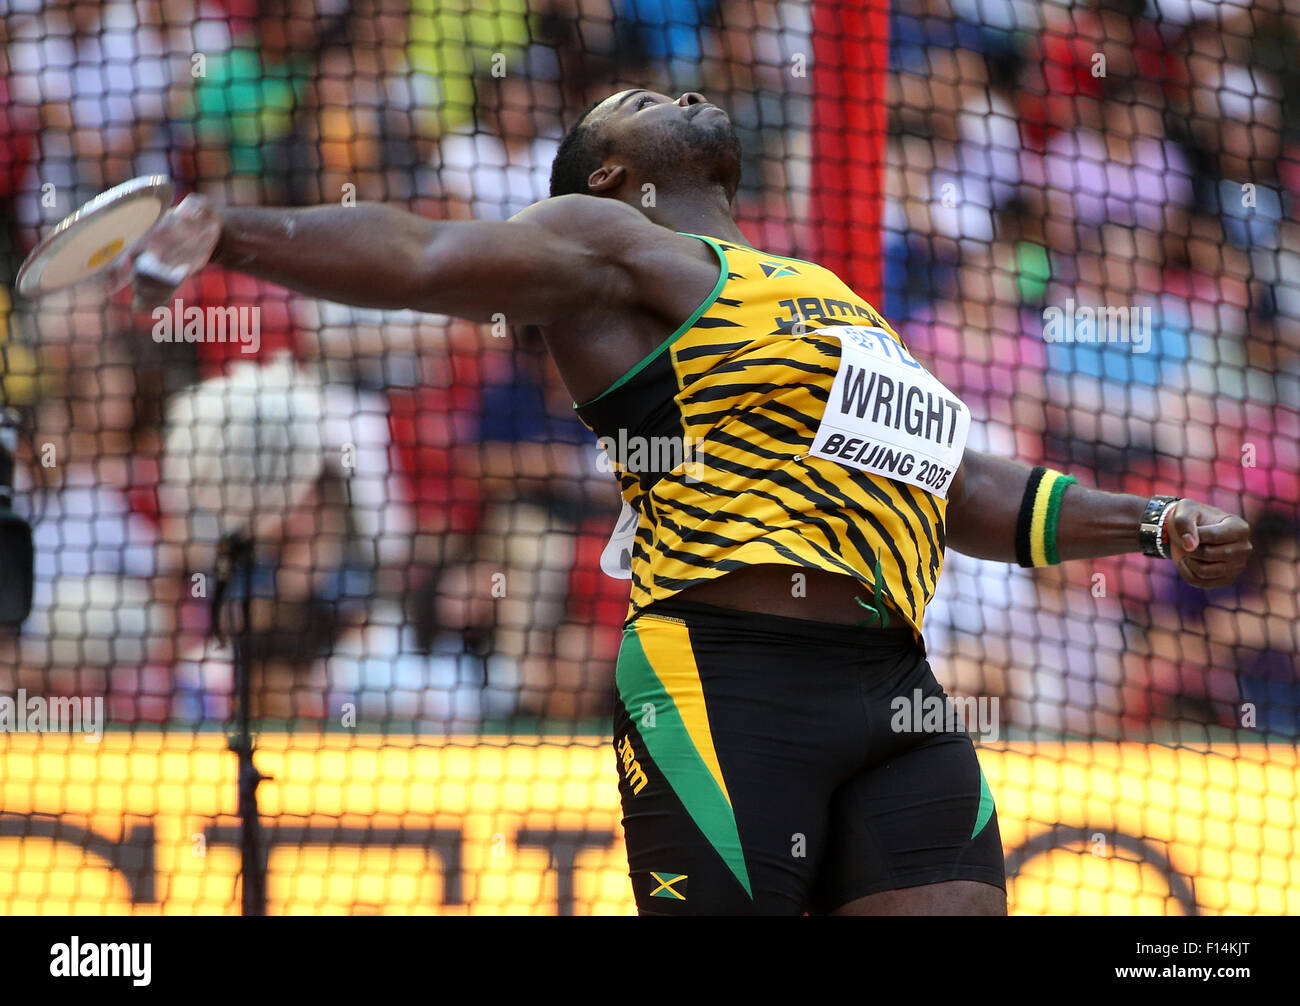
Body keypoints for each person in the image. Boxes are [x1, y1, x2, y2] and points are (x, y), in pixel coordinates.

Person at [130, 89, 1253, 916]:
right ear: (611, 173)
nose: (678, 92)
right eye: (638, 101)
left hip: (894, 686)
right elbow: (424, 256)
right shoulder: (610, 242)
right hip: (723, 674)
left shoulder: (825, 296)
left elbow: (968, 486)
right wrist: (232, 231)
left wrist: (1151, 521)